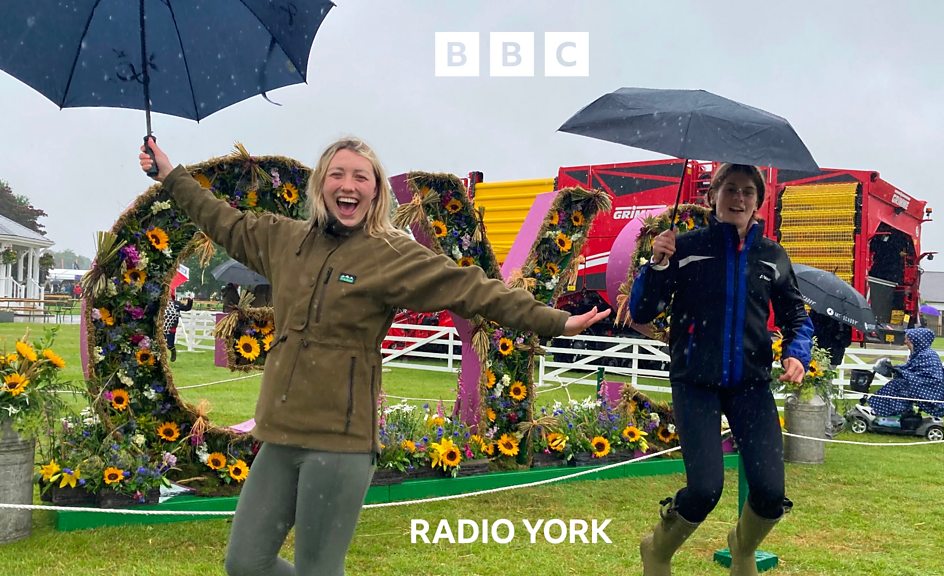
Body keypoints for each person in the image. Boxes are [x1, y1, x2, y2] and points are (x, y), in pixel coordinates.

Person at [139, 136, 609, 576]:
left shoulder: (391, 255)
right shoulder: (283, 240)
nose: (348, 185)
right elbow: (221, 219)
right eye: (337, 174)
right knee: (245, 563)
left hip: (340, 442)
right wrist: (170, 174)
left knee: (318, 570)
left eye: (361, 177)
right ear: (321, 185)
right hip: (279, 434)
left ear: (376, 191)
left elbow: (472, 288)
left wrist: (555, 321)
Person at [629, 163, 812, 576]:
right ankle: (657, 550)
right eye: (730, 189)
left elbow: (796, 317)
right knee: (704, 490)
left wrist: (797, 354)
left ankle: (742, 550)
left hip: (750, 384)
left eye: (747, 191)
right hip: (695, 382)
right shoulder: (685, 247)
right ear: (713, 196)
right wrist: (657, 264)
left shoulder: (773, 256)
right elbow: (642, 310)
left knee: (770, 493)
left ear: (758, 201)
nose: (738, 198)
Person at [867, 327, 944, 417]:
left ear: (917, 340)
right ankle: (893, 411)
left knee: (896, 385)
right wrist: (895, 368)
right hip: (923, 387)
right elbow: (910, 368)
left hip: (928, 390)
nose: (905, 342)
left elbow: (925, 377)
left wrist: (899, 371)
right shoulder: (921, 354)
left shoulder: (926, 355)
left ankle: (880, 411)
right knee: (898, 383)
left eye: (908, 339)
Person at [163, 291, 194, 362]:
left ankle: (173, 351)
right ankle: (162, 359)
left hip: (172, 327)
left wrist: (190, 299)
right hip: (162, 327)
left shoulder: (177, 303)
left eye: (169, 295)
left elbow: (187, 308)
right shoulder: (162, 304)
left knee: (170, 344)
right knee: (161, 343)